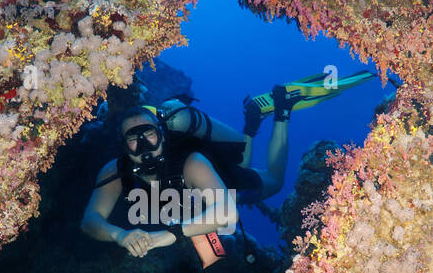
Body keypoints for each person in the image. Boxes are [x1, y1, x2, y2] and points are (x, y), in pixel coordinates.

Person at [81, 85, 304, 260]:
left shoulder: (190, 161)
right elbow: (90, 219)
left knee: (274, 182)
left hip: (217, 181)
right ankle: (252, 123)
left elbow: (227, 212)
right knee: (243, 169)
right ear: (123, 147)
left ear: (162, 136)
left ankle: (282, 111)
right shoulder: (116, 171)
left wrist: (169, 235)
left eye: (149, 135)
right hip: (192, 206)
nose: (144, 147)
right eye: (133, 140)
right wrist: (119, 235)